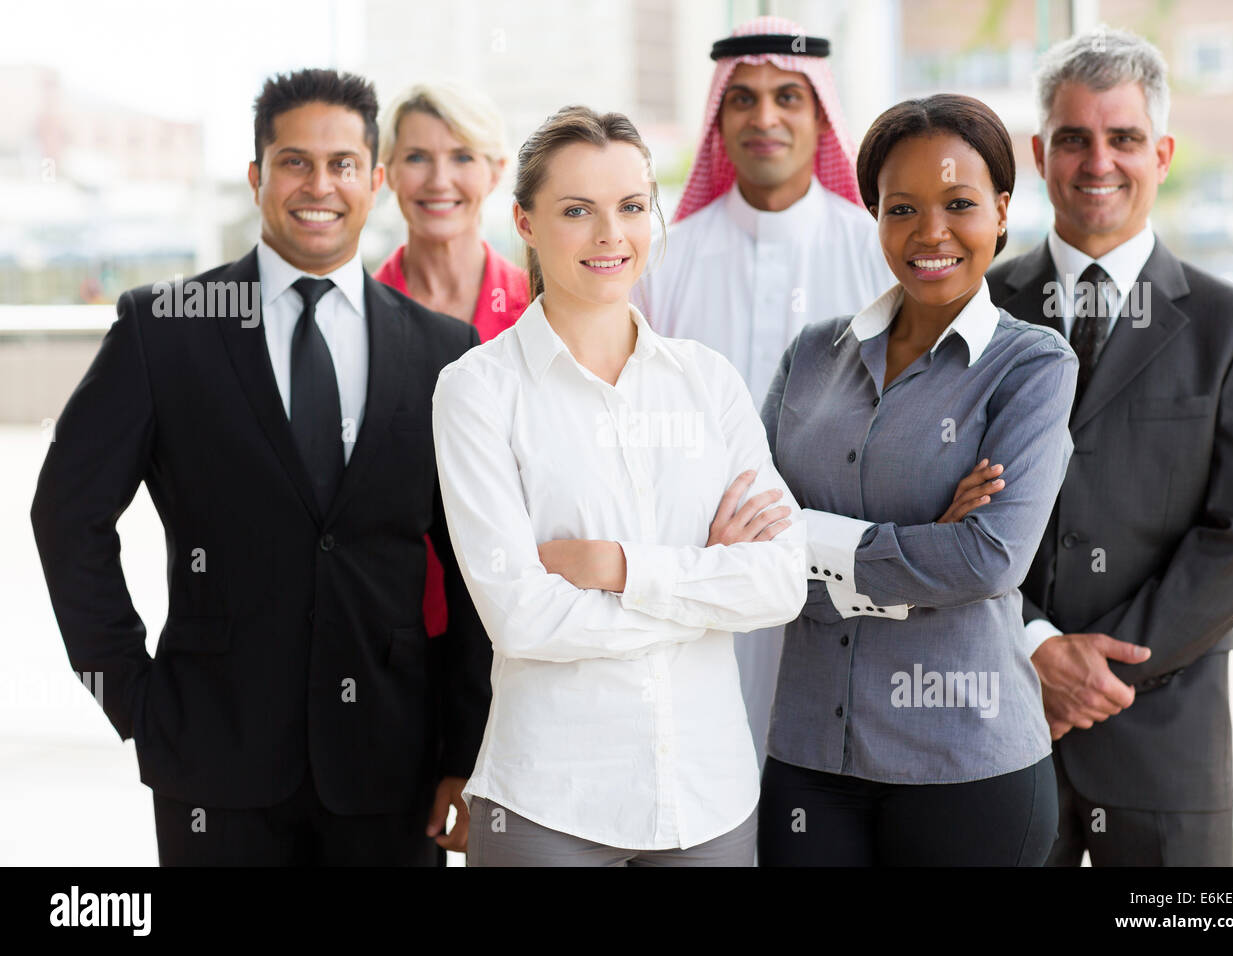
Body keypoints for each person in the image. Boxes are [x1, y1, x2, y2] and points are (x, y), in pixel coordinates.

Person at [30, 68, 492, 865]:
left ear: (374, 180)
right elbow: (66, 514)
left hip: (392, 770)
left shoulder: (444, 354)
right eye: (293, 161)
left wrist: (464, 751)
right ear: (256, 177)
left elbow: (468, 568)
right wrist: (132, 698)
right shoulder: (164, 329)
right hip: (212, 762)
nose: (320, 185)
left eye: (343, 164)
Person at [432, 105, 807, 866]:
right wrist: (703, 594)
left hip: (710, 800)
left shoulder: (709, 381)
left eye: (632, 207)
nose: (611, 236)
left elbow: (781, 584)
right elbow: (524, 619)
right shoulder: (477, 391)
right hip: (550, 803)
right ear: (526, 224)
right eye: (577, 211)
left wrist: (617, 568)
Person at [986, 27, 1233, 866]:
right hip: (1003, 729)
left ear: (1160, 152)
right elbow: (934, 505)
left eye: (1122, 139)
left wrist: (1098, 673)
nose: (1098, 163)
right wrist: (1037, 645)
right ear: (1041, 153)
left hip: (1165, 744)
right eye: (1074, 139)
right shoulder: (979, 310)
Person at [758, 94, 1077, 866]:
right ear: (875, 216)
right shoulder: (811, 353)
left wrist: (813, 544)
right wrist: (924, 545)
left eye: (960, 204)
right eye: (902, 208)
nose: (931, 233)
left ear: (1002, 210)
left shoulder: (1032, 365)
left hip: (967, 764)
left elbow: (989, 560)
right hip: (809, 759)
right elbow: (739, 541)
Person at [631, 14, 894, 766]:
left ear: (820, 115)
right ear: (719, 117)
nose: (765, 117)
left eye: (788, 96)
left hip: (843, 580)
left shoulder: (875, 251)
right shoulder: (666, 260)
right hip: (697, 574)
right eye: (742, 99)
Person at [373, 80, 529, 646]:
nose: (439, 180)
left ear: (494, 172)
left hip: (516, 617)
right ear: (385, 171)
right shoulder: (354, 321)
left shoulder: (540, 313)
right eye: (417, 157)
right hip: (391, 623)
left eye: (462, 157)